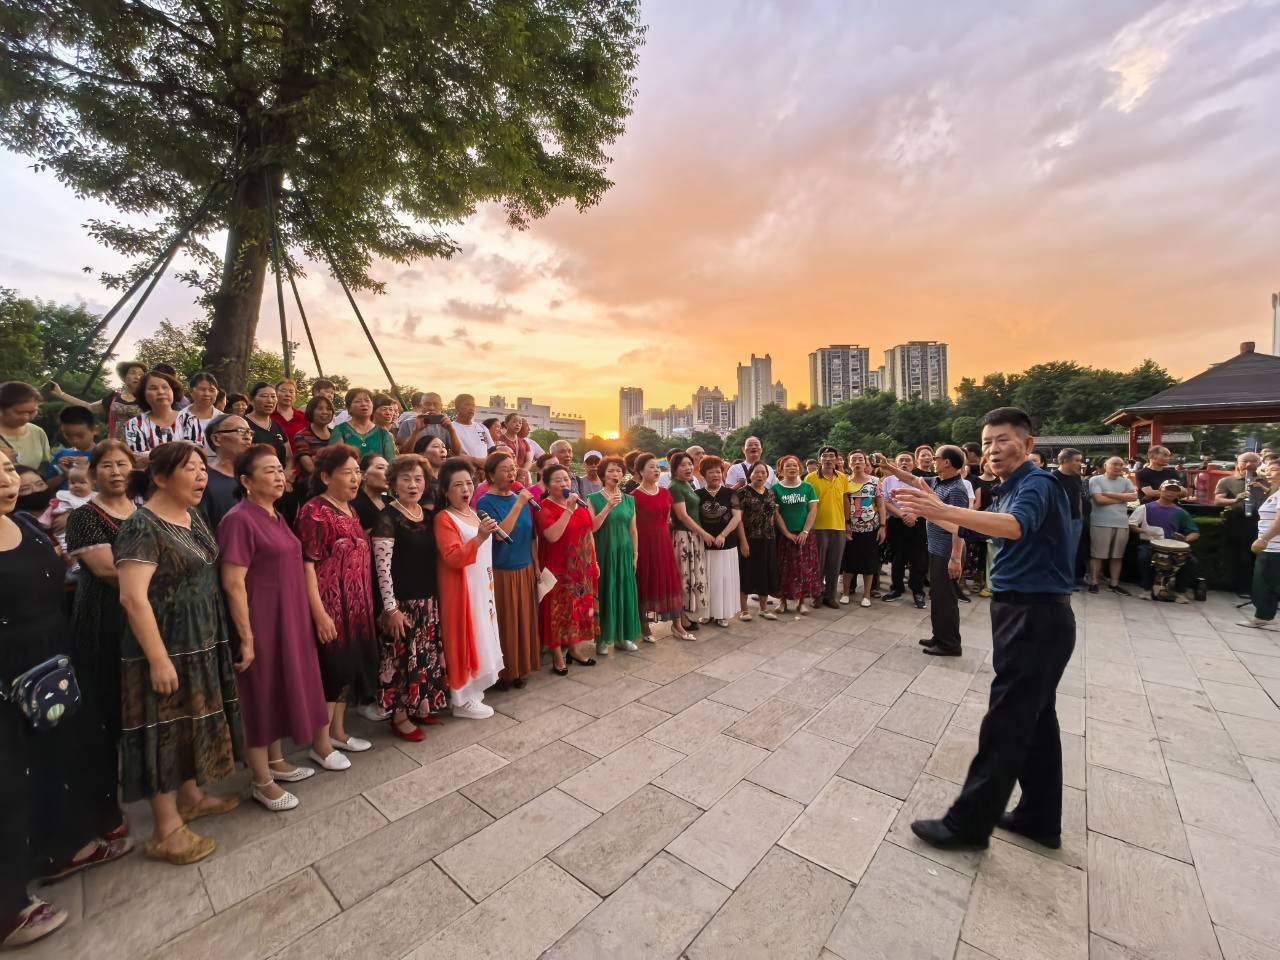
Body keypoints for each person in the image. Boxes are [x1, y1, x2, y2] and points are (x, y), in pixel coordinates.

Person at [894, 407, 1075, 851]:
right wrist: (930, 508)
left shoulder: (1036, 484)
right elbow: (977, 530)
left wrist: (941, 507)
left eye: (1004, 440)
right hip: (1025, 613)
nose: (993, 450)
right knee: (1036, 722)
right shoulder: (1008, 488)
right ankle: (1038, 817)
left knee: (1007, 722)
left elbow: (1013, 528)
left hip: (1035, 617)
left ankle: (967, 825)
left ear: (1029, 444)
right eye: (988, 442)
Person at [0, 455, 132, 948]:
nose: (7, 479)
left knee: (62, 756)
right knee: (11, 778)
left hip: (52, 660)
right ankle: (8, 906)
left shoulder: (26, 526)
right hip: (7, 672)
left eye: (10, 469)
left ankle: (62, 849)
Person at [114, 442, 245, 864]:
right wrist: (157, 658)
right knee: (163, 731)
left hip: (201, 641)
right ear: (159, 478)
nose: (202, 476)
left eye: (203, 468)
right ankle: (166, 830)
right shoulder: (142, 526)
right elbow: (133, 598)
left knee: (190, 720)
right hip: (165, 646)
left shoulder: (192, 516)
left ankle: (190, 796)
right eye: (191, 469)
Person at [218, 446, 342, 811]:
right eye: (268, 471)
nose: (279, 476)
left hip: (288, 617)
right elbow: (232, 582)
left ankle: (276, 761)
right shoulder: (238, 519)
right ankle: (261, 780)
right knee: (258, 696)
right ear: (246, 481)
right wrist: (246, 636)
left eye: (279, 469)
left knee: (277, 691)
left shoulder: (274, 514)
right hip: (260, 620)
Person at [64, 440, 137, 831]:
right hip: (104, 616)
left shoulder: (142, 511)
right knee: (108, 698)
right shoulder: (84, 517)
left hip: (143, 613)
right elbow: (108, 571)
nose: (115, 471)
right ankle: (105, 792)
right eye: (106, 465)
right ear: (93, 474)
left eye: (122, 463)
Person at [294, 444, 379, 754]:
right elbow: (307, 565)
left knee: (345, 672)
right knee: (330, 674)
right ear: (326, 476)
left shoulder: (351, 509)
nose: (355, 479)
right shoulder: (314, 512)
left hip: (357, 606)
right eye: (347, 473)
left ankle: (339, 733)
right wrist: (319, 614)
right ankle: (320, 746)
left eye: (358, 472)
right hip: (331, 609)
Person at [370, 454, 450, 740]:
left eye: (418, 479)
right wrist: (390, 609)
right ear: (393, 483)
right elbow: (382, 568)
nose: (412, 484)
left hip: (427, 600)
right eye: (405, 479)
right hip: (401, 604)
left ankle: (420, 705)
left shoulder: (428, 516)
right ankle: (399, 716)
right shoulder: (387, 517)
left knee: (424, 657)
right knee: (401, 661)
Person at [882, 446, 971, 655]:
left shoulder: (956, 489)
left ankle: (950, 644)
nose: (933, 460)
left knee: (946, 598)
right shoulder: (938, 482)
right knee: (938, 596)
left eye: (936, 457)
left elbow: (961, 526)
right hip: (936, 548)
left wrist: (956, 558)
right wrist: (889, 467)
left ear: (947, 462)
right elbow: (913, 479)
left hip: (948, 552)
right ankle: (939, 636)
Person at [434, 457, 503, 716]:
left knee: (482, 634)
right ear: (444, 490)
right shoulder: (444, 518)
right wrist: (482, 536)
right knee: (464, 637)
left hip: (482, 587)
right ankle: (461, 698)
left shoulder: (474, 514)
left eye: (468, 483)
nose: (465, 490)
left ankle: (476, 691)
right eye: (457, 485)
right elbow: (452, 557)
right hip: (462, 590)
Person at [476, 452, 541, 687]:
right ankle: (505, 672)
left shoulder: (520, 498)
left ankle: (521, 667)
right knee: (505, 622)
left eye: (513, 468)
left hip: (524, 567)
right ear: (491, 475)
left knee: (523, 620)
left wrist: (535, 564)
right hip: (502, 570)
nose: (511, 473)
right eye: (504, 469)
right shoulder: (485, 502)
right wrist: (519, 503)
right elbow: (502, 535)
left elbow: (530, 535)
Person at [535, 461, 601, 672]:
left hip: (581, 566)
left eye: (566, 479)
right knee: (558, 610)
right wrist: (568, 510)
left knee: (577, 608)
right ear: (547, 485)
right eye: (557, 480)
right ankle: (556, 653)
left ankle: (574, 648)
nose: (564, 483)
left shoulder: (579, 502)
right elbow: (552, 536)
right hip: (558, 568)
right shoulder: (544, 507)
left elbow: (589, 532)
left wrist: (594, 561)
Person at [630, 452, 690, 640]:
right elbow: (632, 526)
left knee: (670, 581)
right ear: (640, 471)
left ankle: (677, 625)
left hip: (663, 541)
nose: (656, 470)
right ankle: (645, 627)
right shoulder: (633, 496)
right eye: (651, 467)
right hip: (645, 543)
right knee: (647, 582)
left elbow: (666, 520)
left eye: (657, 467)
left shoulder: (665, 493)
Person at [588, 454, 642, 654]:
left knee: (624, 592)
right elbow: (591, 528)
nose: (615, 473)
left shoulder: (630, 499)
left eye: (619, 470)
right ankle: (602, 639)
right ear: (603, 474)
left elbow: (633, 529)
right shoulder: (592, 499)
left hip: (625, 550)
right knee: (605, 592)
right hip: (604, 551)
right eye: (611, 470)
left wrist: (635, 553)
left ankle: (623, 637)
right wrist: (608, 506)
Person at [1129, 480, 1200, 602]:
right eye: (1167, 489)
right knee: (1144, 557)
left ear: (1178, 495)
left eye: (1174, 491)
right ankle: (1146, 589)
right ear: (1160, 490)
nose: (1170, 493)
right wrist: (1144, 531)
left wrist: (1186, 539)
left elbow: (1195, 532)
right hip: (1150, 544)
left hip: (1173, 547)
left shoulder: (1181, 512)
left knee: (1191, 561)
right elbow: (1132, 525)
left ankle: (1180, 592)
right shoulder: (1145, 508)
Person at [696, 456, 743, 627]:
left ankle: (722, 614)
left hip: (727, 543)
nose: (715, 475)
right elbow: (694, 519)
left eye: (718, 471)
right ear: (703, 475)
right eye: (711, 472)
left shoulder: (731, 493)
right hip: (705, 544)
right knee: (706, 579)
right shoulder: (697, 495)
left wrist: (723, 535)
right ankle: (707, 613)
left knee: (724, 579)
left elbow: (737, 517)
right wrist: (704, 535)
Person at [49, 359, 144, 441]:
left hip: (142, 451)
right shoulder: (113, 399)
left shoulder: (148, 400)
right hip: (115, 449)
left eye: (141, 374)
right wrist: (61, 394)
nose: (137, 377)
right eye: (133, 373)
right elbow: (90, 407)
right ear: (124, 377)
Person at [772, 454, 819, 616]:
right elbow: (776, 513)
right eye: (788, 466)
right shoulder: (776, 489)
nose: (792, 468)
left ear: (799, 468)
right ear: (781, 470)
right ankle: (782, 601)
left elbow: (813, 510)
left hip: (805, 535)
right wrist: (785, 532)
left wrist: (805, 531)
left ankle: (801, 602)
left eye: (794, 465)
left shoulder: (807, 487)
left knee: (804, 568)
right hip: (784, 535)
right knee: (783, 568)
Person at [668, 450, 710, 632]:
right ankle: (681, 617)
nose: (688, 468)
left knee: (692, 576)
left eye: (690, 464)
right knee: (684, 576)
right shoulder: (675, 487)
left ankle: (687, 614)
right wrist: (704, 533)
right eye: (683, 465)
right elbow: (683, 517)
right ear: (674, 469)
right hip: (684, 537)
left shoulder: (687, 484)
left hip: (693, 536)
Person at [880, 451, 928, 608]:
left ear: (914, 464)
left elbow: (928, 501)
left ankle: (918, 591)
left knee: (918, 558)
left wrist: (913, 515)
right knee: (897, 557)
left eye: (908, 460)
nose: (904, 463)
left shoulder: (919, 481)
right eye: (901, 460)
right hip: (896, 521)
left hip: (918, 521)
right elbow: (885, 502)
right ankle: (897, 588)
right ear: (896, 464)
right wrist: (902, 515)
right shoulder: (888, 481)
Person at [122, 369, 203, 460]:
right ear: (143, 394)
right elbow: (138, 458)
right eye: (153, 388)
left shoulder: (189, 420)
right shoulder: (134, 424)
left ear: (173, 391)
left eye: (165, 387)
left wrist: (153, 455)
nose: (161, 392)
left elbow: (195, 454)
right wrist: (179, 454)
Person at [805, 445, 850, 609]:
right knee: (818, 563)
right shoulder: (810, 478)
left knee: (835, 563)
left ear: (837, 460)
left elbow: (846, 500)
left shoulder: (843, 478)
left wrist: (848, 522)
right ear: (819, 460)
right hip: (818, 526)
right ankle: (816, 594)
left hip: (838, 526)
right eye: (825, 456)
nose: (829, 459)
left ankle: (830, 596)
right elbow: (806, 503)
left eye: (832, 456)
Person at [1215, 452, 1266, 597]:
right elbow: (1218, 500)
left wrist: (1262, 487)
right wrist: (1235, 499)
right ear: (1238, 462)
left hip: (1260, 521)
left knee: (1254, 555)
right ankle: (1236, 585)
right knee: (1235, 554)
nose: (1248, 465)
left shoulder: (1266, 481)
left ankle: (1254, 586)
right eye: (1245, 461)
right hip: (1236, 520)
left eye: (1253, 461)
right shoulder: (1227, 480)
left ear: (1259, 463)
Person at [1238, 461, 1280, 629]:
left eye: (1275, 470)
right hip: (1271, 545)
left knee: (1265, 583)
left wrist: (1264, 539)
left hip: (1274, 546)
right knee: (1267, 581)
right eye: (1268, 470)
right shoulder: (1275, 492)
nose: (1269, 473)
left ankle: (1263, 616)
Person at [840, 450, 884, 608]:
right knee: (848, 562)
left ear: (866, 463)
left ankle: (866, 595)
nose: (857, 462)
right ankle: (845, 593)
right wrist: (846, 525)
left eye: (861, 459)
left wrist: (883, 526)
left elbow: (880, 504)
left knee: (869, 562)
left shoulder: (875, 481)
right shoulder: (844, 481)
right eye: (854, 459)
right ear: (849, 463)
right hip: (851, 527)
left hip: (871, 527)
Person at [1087, 456, 1137, 595]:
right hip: (1100, 521)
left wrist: (1110, 494)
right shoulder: (1095, 479)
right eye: (1114, 464)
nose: (1118, 467)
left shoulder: (1126, 481)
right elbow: (1099, 500)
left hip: (1121, 523)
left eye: (1121, 464)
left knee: (1117, 556)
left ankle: (1114, 583)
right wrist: (1122, 497)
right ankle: (1094, 582)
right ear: (1105, 465)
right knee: (1097, 554)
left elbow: (1133, 497)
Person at [737, 460, 779, 620]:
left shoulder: (770, 493)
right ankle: (744, 610)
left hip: (768, 539)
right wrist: (743, 542)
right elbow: (738, 520)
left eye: (763, 472)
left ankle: (763, 609)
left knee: (765, 573)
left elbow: (774, 517)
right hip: (749, 539)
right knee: (746, 572)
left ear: (767, 476)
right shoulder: (742, 492)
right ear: (750, 475)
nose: (760, 475)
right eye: (756, 472)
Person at [200, 413, 254, 530]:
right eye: (240, 431)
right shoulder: (202, 479)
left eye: (250, 433)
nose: (247, 437)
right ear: (216, 439)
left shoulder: (254, 478)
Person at [0, 381, 55, 481]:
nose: (26, 417)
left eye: (32, 412)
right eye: (19, 412)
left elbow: (44, 465)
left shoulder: (37, 432)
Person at [330, 388, 397, 462]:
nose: (364, 404)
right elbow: (334, 461)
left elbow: (391, 463)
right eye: (358, 401)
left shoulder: (383, 433)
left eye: (367, 401)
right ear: (348, 408)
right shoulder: (340, 430)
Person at [1055, 448, 1086, 587]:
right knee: (1057, 552)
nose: (1081, 463)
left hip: (1075, 520)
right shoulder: (1052, 478)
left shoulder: (1076, 477)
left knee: (1072, 552)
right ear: (1065, 461)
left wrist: (1080, 517)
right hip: (1058, 522)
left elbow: (1079, 497)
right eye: (1077, 460)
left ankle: (1068, 581)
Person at [241, 382, 290, 465]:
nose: (270, 400)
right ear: (251, 400)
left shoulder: (277, 425)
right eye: (264, 396)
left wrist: (287, 471)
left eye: (273, 396)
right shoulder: (242, 424)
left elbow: (289, 456)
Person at [292, 394, 336, 483]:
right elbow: (309, 467)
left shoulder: (336, 434)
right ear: (311, 411)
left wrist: (317, 459)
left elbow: (342, 461)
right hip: (311, 486)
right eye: (320, 408)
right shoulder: (302, 435)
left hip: (336, 484)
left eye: (328, 409)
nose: (325, 412)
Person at [450, 394, 494, 471]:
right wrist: (478, 462)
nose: (471, 408)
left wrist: (482, 463)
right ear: (457, 408)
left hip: (484, 473)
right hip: (462, 472)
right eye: (467, 404)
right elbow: (453, 454)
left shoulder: (482, 428)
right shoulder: (450, 428)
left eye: (473, 405)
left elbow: (492, 451)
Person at [51, 404, 99, 475]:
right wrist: (64, 473)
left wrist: (88, 467)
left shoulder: (102, 456)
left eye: (80, 435)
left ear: (95, 430)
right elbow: (47, 484)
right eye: (68, 435)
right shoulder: (61, 455)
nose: (75, 440)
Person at [352, 452, 390, 532]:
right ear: (363, 475)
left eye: (389, 469)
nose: (388, 473)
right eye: (380, 468)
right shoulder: (353, 505)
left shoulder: (391, 501)